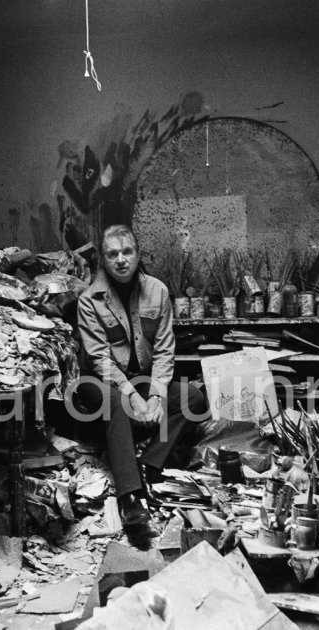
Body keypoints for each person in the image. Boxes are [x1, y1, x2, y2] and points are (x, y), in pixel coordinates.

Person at [73, 224, 208, 547]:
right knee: (117, 403)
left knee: (192, 397)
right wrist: (134, 397)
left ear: (137, 254)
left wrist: (157, 396)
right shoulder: (89, 300)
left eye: (127, 252)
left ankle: (150, 465)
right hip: (100, 381)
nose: (121, 260)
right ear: (103, 259)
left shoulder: (157, 291)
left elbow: (164, 351)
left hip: (145, 379)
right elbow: (99, 359)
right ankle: (130, 500)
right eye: (112, 254)